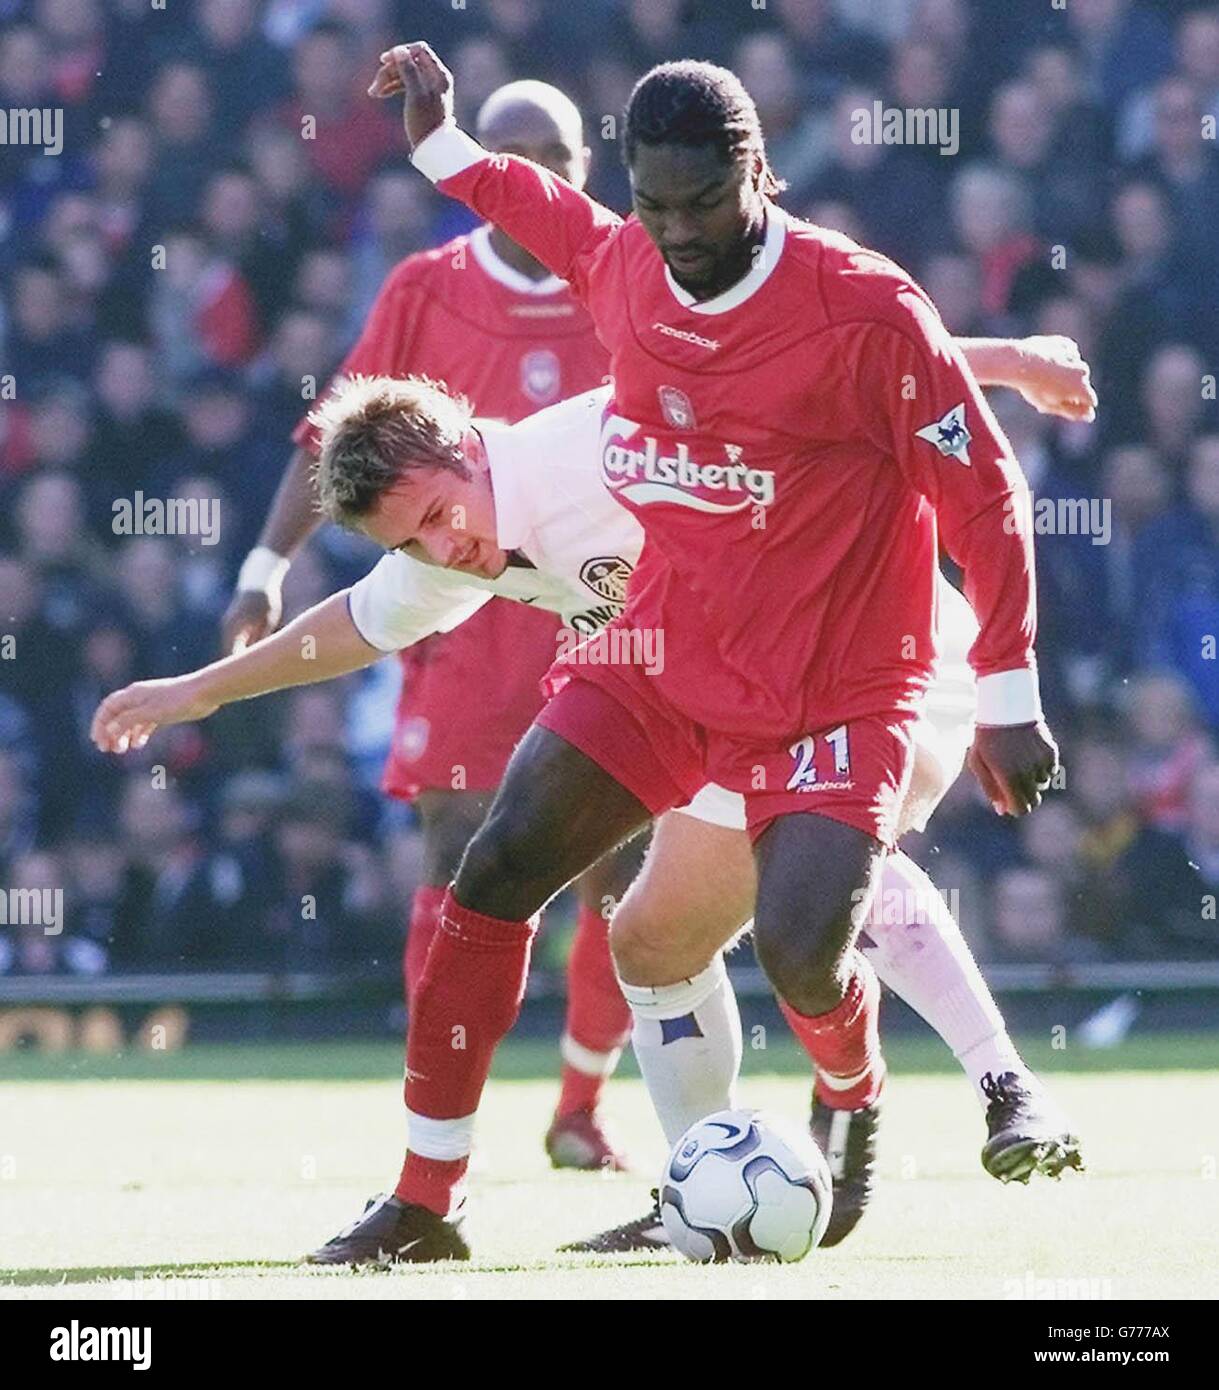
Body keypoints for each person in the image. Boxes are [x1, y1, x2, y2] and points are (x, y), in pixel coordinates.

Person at [94, 356, 1089, 1262]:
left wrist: (1004, 364)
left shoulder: (608, 437)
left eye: (442, 513)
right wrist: (201, 690)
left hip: (877, 651)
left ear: (468, 441)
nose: (450, 548)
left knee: (813, 872)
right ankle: (520, 1197)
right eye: (414, 540)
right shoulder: (444, 546)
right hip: (709, 689)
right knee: (640, 938)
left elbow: (829, 364)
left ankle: (983, 1087)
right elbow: (357, 622)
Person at [336, 42, 1065, 1255]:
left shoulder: (865, 309)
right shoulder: (628, 262)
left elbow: (984, 492)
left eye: (700, 202)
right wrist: (438, 144)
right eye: (654, 204)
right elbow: (546, 209)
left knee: (798, 951)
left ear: (759, 175)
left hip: (840, 681)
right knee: (500, 858)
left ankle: (852, 1087)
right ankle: (426, 1201)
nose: (674, 232)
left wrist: (1007, 689)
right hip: (664, 654)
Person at [221, 80, 645, 1175]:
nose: (528, 180)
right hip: (467, 609)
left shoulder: (627, 274)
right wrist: (268, 564)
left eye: (548, 157)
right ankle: (437, 1112)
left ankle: (581, 1103)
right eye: (505, 154)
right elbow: (336, 443)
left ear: (580, 172)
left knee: (619, 865)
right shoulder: (426, 287)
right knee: (459, 848)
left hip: (607, 607)